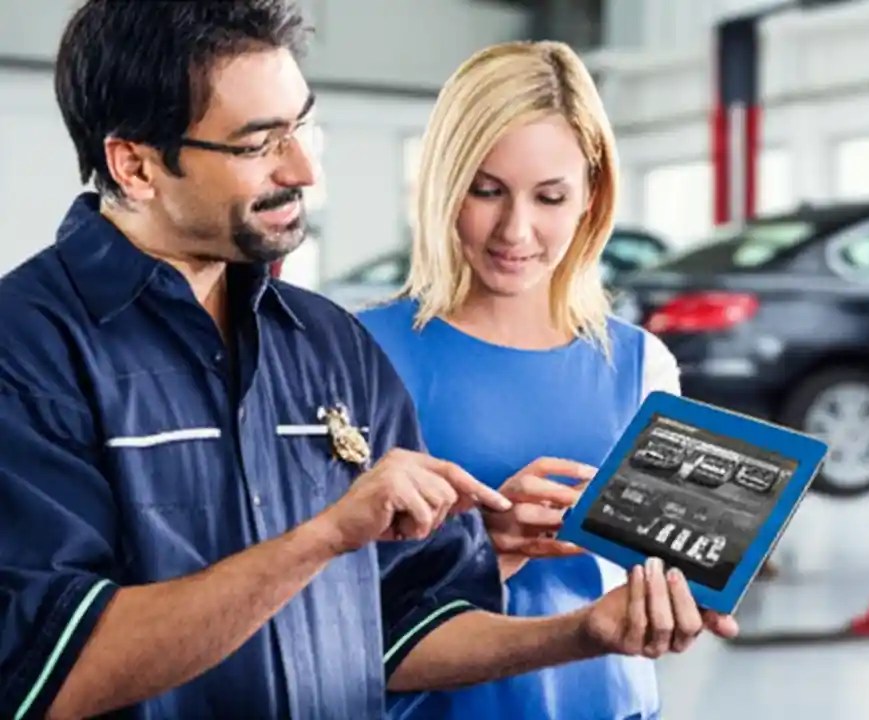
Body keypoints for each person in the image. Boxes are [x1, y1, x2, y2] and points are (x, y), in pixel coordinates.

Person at [0, 3, 736, 719]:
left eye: (302, 128)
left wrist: (586, 632)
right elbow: (46, 668)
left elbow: (413, 617)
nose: (304, 170)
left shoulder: (325, 345)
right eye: (259, 143)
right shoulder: (28, 349)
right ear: (134, 164)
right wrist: (325, 538)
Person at [357, 41, 694, 720]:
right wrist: (482, 548)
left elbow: (668, 576)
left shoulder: (639, 368)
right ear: (444, 185)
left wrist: (686, 596)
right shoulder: (360, 354)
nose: (517, 229)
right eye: (486, 191)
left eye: (549, 197)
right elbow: (321, 607)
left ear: (591, 196)